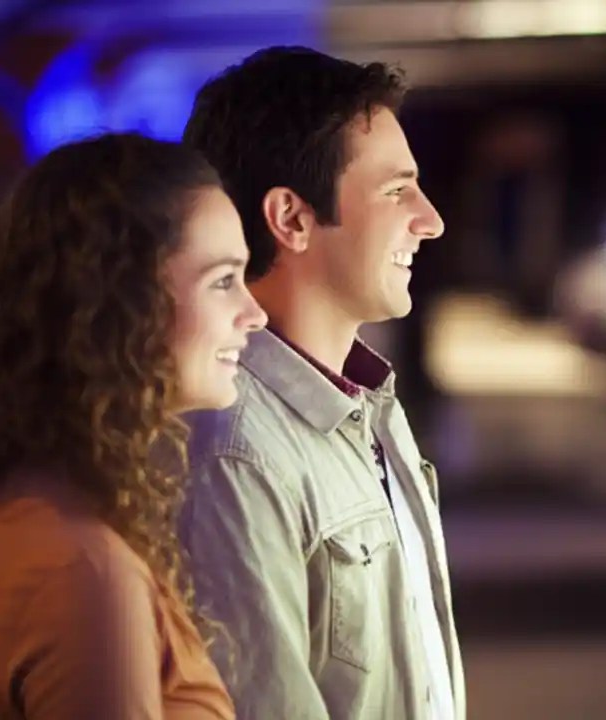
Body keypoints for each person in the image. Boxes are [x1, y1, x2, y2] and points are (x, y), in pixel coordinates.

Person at [178, 46, 464, 719]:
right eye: (397, 190)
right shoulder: (233, 452)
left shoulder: (368, 407)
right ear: (292, 219)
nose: (430, 220)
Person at [0, 133, 266, 718]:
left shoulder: (48, 515)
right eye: (223, 280)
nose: (255, 312)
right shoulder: (82, 568)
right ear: (127, 300)